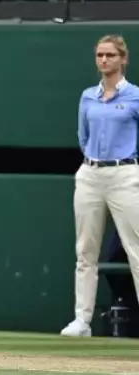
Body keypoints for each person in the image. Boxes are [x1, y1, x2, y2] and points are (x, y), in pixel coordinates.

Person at [64, 35, 139, 337]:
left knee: (136, 247)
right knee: (85, 250)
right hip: (90, 173)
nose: (104, 60)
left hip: (126, 174)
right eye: (99, 55)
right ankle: (82, 320)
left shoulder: (135, 96)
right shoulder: (87, 97)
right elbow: (83, 136)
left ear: (123, 59)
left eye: (110, 55)